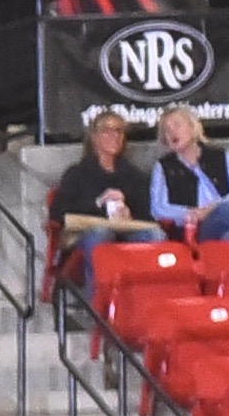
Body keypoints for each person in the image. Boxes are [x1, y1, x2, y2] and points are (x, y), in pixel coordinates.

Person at [46, 110, 163, 295]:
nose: (114, 136)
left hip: (125, 235)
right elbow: (58, 212)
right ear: (94, 137)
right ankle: (97, 307)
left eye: (118, 131)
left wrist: (129, 215)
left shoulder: (134, 175)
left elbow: (149, 216)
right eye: (107, 130)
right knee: (101, 232)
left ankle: (146, 300)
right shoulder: (77, 173)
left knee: (154, 234)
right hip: (85, 236)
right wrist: (98, 203)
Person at [150, 104, 229, 243]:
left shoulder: (223, 156)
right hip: (196, 230)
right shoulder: (163, 166)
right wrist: (193, 214)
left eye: (177, 125)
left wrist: (212, 208)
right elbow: (159, 209)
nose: (172, 132)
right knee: (227, 213)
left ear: (193, 128)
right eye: (166, 130)